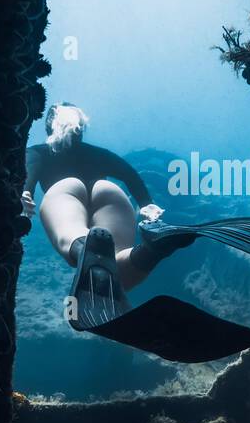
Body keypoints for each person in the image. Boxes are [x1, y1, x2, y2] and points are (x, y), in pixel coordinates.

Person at [22, 102, 193, 289]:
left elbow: (29, 170)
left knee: (70, 236)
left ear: (48, 127)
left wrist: (25, 192)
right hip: (107, 191)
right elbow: (128, 173)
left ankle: (84, 246)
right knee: (118, 268)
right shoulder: (98, 154)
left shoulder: (38, 152)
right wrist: (146, 203)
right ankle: (153, 249)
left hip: (67, 191)